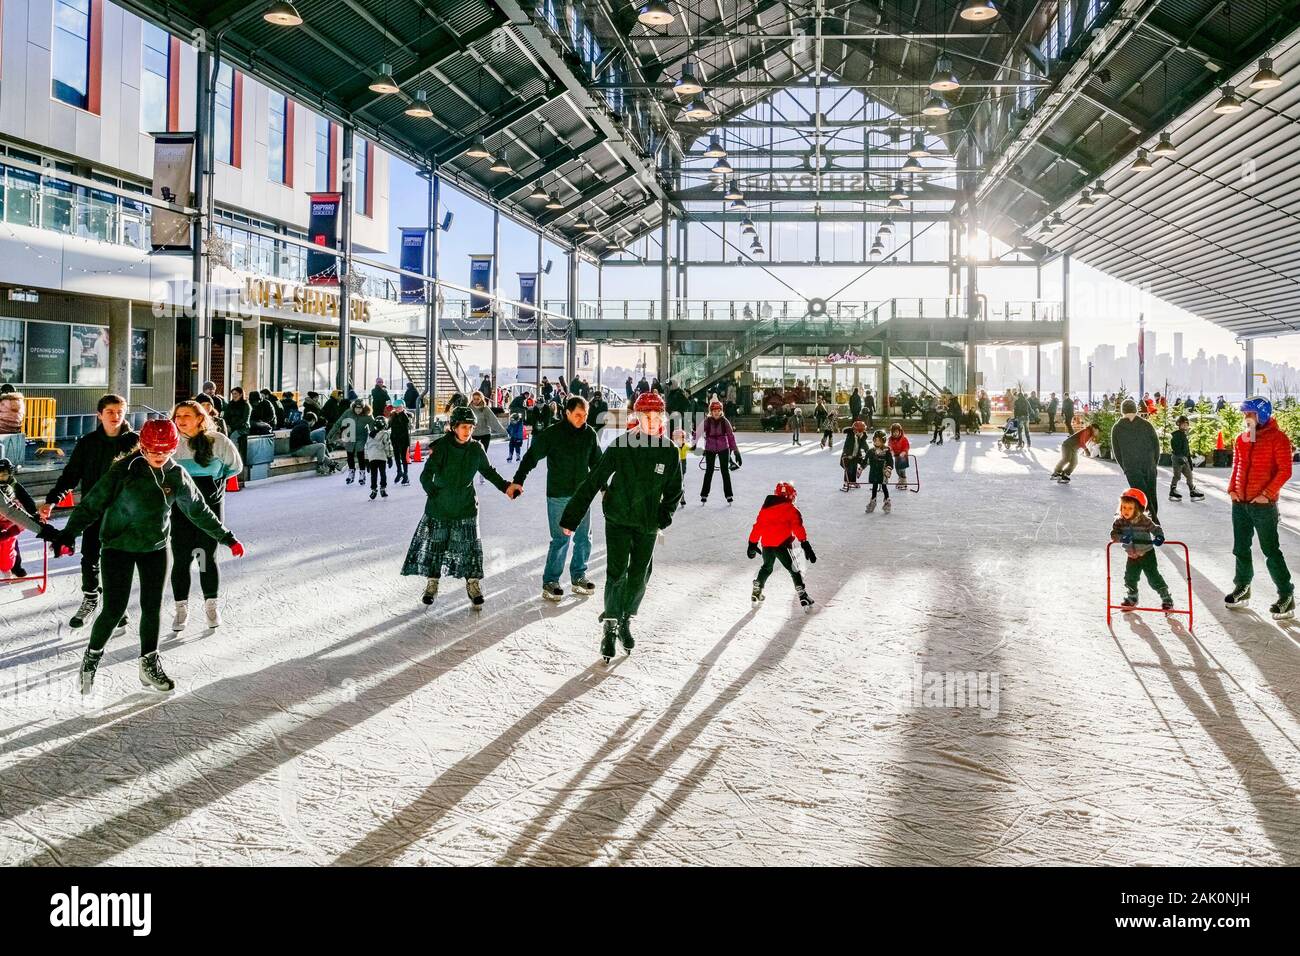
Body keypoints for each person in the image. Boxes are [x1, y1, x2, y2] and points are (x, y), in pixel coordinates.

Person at [56, 420, 245, 695]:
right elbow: (92, 504)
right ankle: (91, 659)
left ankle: (149, 663)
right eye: (153, 450)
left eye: (165, 451)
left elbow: (199, 510)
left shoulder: (176, 474)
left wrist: (225, 537)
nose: (159, 456)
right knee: (114, 609)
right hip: (117, 547)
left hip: (155, 549)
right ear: (142, 446)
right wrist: (68, 534)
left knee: (151, 609)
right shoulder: (123, 471)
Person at [559, 391, 683, 661]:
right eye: (645, 416)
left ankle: (626, 618)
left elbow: (675, 492)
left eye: (656, 416)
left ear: (662, 418)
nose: (651, 421)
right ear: (637, 418)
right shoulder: (621, 445)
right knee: (617, 574)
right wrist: (571, 517)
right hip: (618, 520)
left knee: (639, 576)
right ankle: (610, 626)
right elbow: (594, 482)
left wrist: (662, 518)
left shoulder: (669, 451)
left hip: (647, 524)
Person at [403, 406, 521, 609]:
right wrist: (434, 493)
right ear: (454, 427)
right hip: (439, 507)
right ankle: (432, 584)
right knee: (436, 546)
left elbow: (488, 471)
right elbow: (425, 475)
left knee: (469, 549)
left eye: (471, 427)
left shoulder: (476, 448)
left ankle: (473, 585)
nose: (467, 431)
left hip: (466, 507)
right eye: (464, 427)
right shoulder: (441, 447)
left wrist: (506, 487)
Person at [41, 393, 140, 629]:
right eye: (110, 412)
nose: (116, 416)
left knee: (117, 558)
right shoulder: (88, 443)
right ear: (99, 415)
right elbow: (71, 475)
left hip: (123, 511)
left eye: (120, 412)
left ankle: (116, 605)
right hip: (93, 509)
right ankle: (91, 597)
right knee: (90, 556)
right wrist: (52, 501)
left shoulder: (135, 441)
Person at [512, 395, 602, 602]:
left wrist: (605, 488)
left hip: (582, 496)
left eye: (585, 415)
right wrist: (518, 480)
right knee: (561, 539)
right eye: (578, 415)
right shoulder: (552, 434)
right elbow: (531, 457)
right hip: (558, 495)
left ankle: (578, 576)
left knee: (583, 538)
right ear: (567, 413)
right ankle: (551, 581)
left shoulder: (589, 434)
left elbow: (598, 463)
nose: (582, 419)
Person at [169, 400, 244, 631]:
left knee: (204, 558)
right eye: (178, 415)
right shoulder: (172, 444)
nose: (181, 420)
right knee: (181, 560)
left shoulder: (218, 441)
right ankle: (181, 609)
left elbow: (235, 466)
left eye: (186, 415)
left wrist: (216, 483)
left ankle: (211, 605)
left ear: (200, 418)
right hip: (179, 511)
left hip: (209, 509)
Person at [1225, 396, 1294, 618]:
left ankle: (1286, 595)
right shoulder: (1241, 439)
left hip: (1263, 506)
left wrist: (1267, 494)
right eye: (1244, 414)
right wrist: (1232, 489)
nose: (1246, 418)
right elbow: (1236, 465)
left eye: (1250, 414)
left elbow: (1285, 470)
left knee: (1270, 551)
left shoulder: (1278, 439)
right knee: (1241, 549)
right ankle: (1242, 587)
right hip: (1240, 504)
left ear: (1262, 414)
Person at [747, 481, 815, 610]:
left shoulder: (766, 508)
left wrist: (752, 543)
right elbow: (798, 527)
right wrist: (805, 543)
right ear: (790, 496)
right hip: (782, 545)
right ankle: (803, 595)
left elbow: (758, 526)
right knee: (793, 569)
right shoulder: (791, 509)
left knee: (766, 568)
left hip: (766, 545)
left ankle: (757, 589)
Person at [1111, 488, 1173, 612]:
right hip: (1132, 555)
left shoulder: (1144, 521)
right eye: (1124, 507)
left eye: (1130, 508)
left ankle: (1166, 598)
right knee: (1130, 577)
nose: (1126, 511)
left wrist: (1159, 537)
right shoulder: (1119, 522)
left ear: (1138, 509)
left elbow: (1156, 529)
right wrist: (1121, 538)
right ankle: (1132, 598)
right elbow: (1113, 535)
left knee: (1153, 578)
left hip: (1147, 554)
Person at [1110, 398, 1161, 521]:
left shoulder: (1117, 428)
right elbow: (1156, 445)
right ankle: (1153, 520)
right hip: (1149, 464)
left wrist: (1125, 467)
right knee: (1151, 493)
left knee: (1141, 494)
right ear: (1135, 409)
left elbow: (1117, 452)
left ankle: (1154, 522)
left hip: (1131, 467)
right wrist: (1154, 463)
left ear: (1122, 411)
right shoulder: (1146, 425)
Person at [0, 457, 44, 578]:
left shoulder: (14, 485)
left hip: (10, 519)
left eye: (4, 475)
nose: (2, 478)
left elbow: (26, 499)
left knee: (12, 543)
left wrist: (35, 514)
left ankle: (16, 567)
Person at [692, 398, 740, 505]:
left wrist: (736, 451)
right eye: (714, 411)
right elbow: (698, 432)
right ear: (711, 411)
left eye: (718, 411)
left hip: (724, 448)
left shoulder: (725, 422)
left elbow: (731, 436)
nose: (716, 413)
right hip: (710, 448)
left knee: (725, 471)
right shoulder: (707, 421)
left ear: (721, 411)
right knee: (709, 471)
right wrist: (694, 443)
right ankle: (704, 494)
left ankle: (729, 494)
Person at [328, 398, 373, 486]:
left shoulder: (367, 415)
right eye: (356, 408)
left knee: (360, 454)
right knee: (350, 455)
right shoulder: (348, 412)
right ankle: (351, 472)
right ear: (353, 407)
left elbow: (373, 427)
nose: (358, 410)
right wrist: (330, 434)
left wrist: (375, 436)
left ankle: (362, 474)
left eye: (360, 408)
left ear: (363, 408)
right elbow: (338, 423)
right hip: (350, 435)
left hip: (361, 436)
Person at [1169, 415, 1204, 502]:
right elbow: (1175, 447)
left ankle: (1192, 491)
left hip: (1185, 459)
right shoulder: (1176, 435)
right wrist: (1180, 456)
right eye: (1183, 425)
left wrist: (1189, 462)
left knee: (1189, 475)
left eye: (1186, 425)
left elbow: (1187, 450)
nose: (1185, 426)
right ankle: (1172, 491)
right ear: (1178, 425)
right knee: (1177, 476)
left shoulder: (1185, 435)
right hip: (1177, 458)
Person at [863, 430, 894, 514]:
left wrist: (889, 468)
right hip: (874, 472)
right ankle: (872, 502)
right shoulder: (871, 451)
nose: (877, 442)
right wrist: (861, 468)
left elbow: (890, 461)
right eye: (875, 440)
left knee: (884, 487)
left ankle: (887, 503)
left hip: (883, 473)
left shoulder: (886, 451)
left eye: (879, 441)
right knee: (874, 487)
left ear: (883, 441)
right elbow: (865, 461)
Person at [365, 417, 393, 500]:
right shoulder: (385, 434)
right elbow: (387, 446)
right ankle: (383, 489)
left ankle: (374, 490)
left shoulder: (370, 435)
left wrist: (366, 459)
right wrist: (389, 457)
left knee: (374, 474)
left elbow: (366, 447)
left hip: (372, 457)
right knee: (382, 473)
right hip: (381, 456)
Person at [841, 419, 869, 489]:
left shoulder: (862, 437)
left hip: (856, 456)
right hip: (847, 456)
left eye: (861, 432)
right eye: (858, 432)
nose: (860, 433)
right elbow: (847, 446)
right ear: (854, 430)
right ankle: (846, 482)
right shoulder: (850, 436)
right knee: (850, 469)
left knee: (866, 462)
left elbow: (865, 446)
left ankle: (860, 469)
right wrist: (847, 454)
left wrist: (868, 453)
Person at [389, 404, 412, 485]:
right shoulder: (393, 415)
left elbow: (407, 421)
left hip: (403, 440)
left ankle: (406, 475)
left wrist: (402, 412)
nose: (397, 409)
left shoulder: (406, 415)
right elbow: (388, 426)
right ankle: (399, 472)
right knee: (396, 457)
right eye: (396, 407)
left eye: (399, 407)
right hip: (395, 439)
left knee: (403, 458)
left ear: (403, 408)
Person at [888, 423, 910, 490]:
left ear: (900, 432)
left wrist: (904, 452)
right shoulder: (890, 439)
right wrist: (891, 451)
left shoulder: (903, 439)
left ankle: (904, 482)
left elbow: (906, 446)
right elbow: (889, 446)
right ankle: (900, 480)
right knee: (897, 469)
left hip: (903, 456)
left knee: (902, 469)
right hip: (896, 456)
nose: (895, 433)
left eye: (897, 432)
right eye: (893, 432)